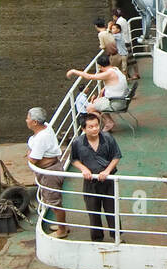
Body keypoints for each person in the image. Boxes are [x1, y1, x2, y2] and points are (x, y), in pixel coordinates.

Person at [69, 113, 121, 243]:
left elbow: (116, 156)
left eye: (96, 125)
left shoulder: (108, 138)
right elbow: (74, 160)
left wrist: (107, 171)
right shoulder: (77, 143)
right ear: (83, 129)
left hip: (108, 181)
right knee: (93, 211)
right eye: (90, 127)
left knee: (112, 210)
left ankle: (117, 237)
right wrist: (83, 168)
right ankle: (97, 238)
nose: (95, 129)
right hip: (90, 182)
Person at [25, 107, 67, 238]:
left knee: (54, 202)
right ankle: (62, 225)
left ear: (35, 122)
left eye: (28, 118)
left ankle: (62, 230)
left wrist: (29, 154)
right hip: (53, 167)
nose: (26, 120)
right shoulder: (46, 127)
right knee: (53, 200)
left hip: (50, 173)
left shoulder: (41, 138)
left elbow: (33, 159)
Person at [67, 54, 129, 133]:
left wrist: (73, 71)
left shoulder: (108, 73)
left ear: (100, 66)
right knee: (96, 101)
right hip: (122, 100)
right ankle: (108, 121)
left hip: (116, 103)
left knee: (89, 108)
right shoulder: (115, 69)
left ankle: (108, 122)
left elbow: (89, 77)